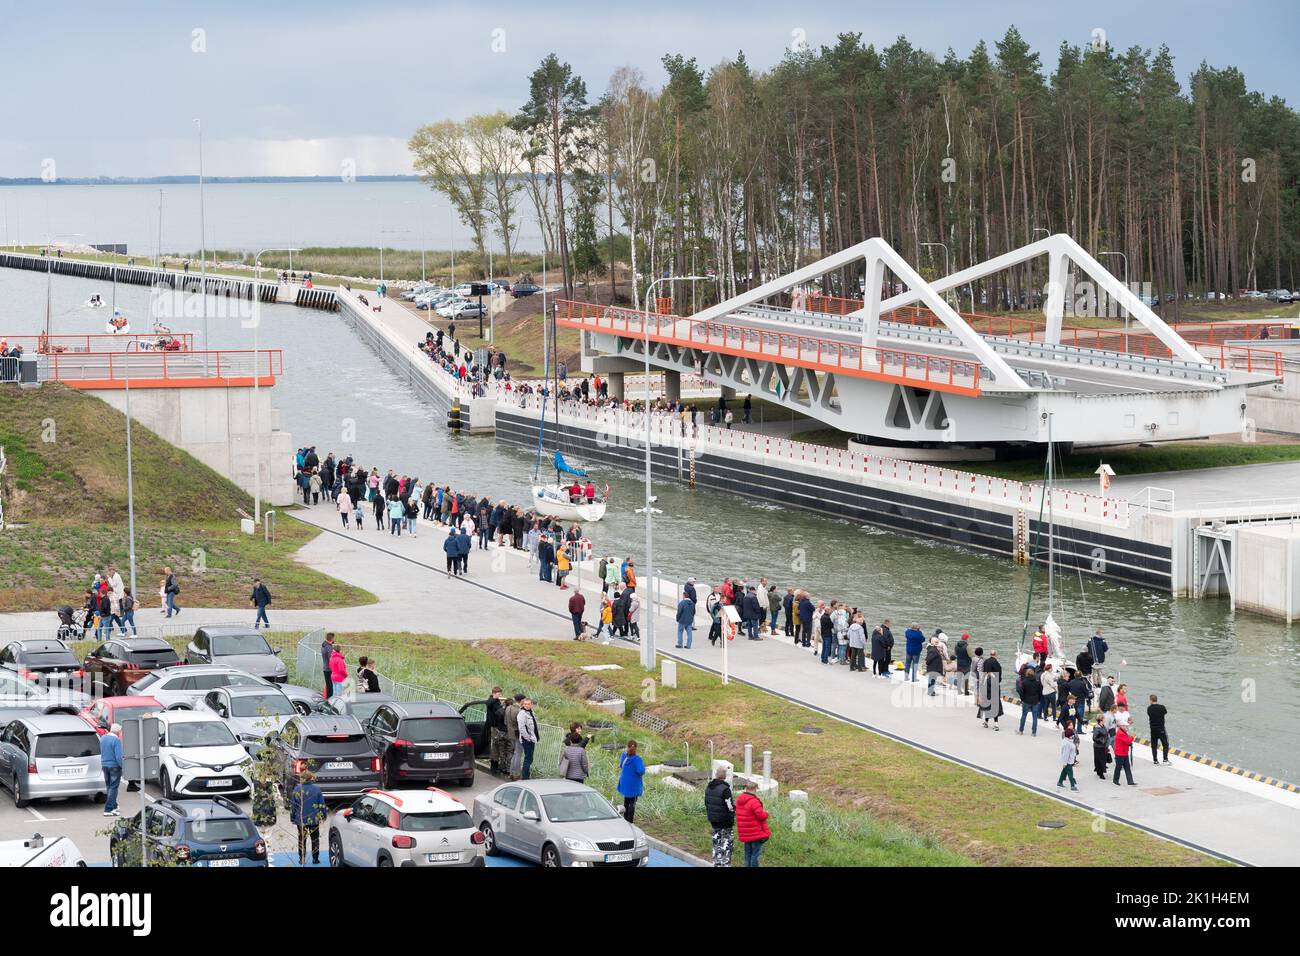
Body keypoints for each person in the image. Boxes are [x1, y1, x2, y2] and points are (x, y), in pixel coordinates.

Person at [290, 770, 327, 866]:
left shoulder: (297, 789)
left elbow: (293, 806)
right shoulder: (317, 789)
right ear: (311, 778)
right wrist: (324, 815)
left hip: (301, 819)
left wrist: (292, 817)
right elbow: (322, 805)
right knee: (315, 839)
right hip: (314, 819)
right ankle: (315, 859)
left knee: (302, 839)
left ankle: (301, 858)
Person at [735, 779, 771, 867]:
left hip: (745, 832)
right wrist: (767, 813)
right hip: (755, 832)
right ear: (755, 788)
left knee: (747, 854)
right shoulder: (754, 801)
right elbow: (761, 816)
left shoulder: (739, 800)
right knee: (755, 855)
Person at [705, 767, 736, 867]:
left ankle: (716, 863)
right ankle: (725, 864)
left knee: (716, 842)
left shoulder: (709, 787)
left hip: (713, 819)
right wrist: (734, 811)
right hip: (725, 820)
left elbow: (706, 802)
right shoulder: (725, 790)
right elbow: (730, 806)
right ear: (725, 776)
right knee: (726, 843)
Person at [617, 740, 646, 823]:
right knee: (632, 803)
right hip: (634, 784)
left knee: (626, 801)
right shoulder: (637, 759)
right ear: (636, 748)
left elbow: (620, 765)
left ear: (627, 747)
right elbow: (640, 771)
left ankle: (625, 820)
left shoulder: (623, 756)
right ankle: (630, 822)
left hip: (625, 782)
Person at [100, 723, 124, 816]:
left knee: (109, 786)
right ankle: (108, 809)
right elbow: (118, 756)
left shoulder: (103, 738)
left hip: (105, 765)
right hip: (114, 766)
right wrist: (122, 766)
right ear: (118, 732)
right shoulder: (116, 740)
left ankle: (114, 806)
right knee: (113, 787)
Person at [977, 650, 1003, 729]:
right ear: (995, 655)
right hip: (995, 685)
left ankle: (986, 722)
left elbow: (983, 672)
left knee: (987, 704)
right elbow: (999, 677)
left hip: (986, 685)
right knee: (995, 704)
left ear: (990, 654)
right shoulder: (997, 664)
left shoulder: (986, 662)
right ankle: (996, 724)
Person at [517, 698, 539, 780]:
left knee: (529, 758)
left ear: (531, 704)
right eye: (525, 704)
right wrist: (528, 738)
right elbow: (521, 728)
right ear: (523, 705)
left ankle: (526, 776)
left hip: (532, 739)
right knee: (528, 759)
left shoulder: (531, 712)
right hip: (527, 740)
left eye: (528, 704)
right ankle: (525, 778)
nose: (527, 705)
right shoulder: (522, 713)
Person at [1017, 665, 1042, 735]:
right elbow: (1040, 692)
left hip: (1026, 701)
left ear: (1027, 674)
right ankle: (1034, 732)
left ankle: (1021, 730)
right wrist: (1039, 700)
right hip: (1035, 701)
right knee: (1035, 717)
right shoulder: (1037, 682)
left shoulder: (1025, 682)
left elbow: (1021, 692)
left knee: (1024, 716)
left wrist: (1022, 699)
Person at [1147, 694, 1170, 765]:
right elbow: (1165, 712)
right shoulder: (1162, 707)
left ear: (1151, 700)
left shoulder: (1149, 708)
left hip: (1153, 729)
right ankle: (1165, 760)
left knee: (1154, 745)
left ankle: (1155, 760)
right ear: (1156, 700)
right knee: (1165, 744)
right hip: (1161, 729)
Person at [505, 694, 524, 780]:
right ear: (521, 700)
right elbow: (520, 724)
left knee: (514, 754)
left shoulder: (508, 708)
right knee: (518, 754)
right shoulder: (519, 710)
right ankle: (516, 774)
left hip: (510, 733)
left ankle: (511, 772)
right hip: (518, 734)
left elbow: (505, 722)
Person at [1057, 725, 1079, 792]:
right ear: (1069, 735)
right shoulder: (1067, 743)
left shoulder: (1068, 741)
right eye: (1072, 735)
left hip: (1069, 760)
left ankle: (1060, 782)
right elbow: (1065, 754)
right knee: (1070, 773)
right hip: (1067, 761)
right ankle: (1072, 786)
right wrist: (1065, 763)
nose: (1073, 736)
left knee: (1064, 771)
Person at [1092, 715, 1111, 779]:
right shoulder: (1097, 728)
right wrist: (1102, 741)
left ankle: (1099, 770)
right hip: (1098, 747)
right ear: (1101, 720)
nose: (1105, 720)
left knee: (1102, 759)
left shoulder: (1103, 726)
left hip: (1104, 746)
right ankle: (1101, 773)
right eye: (1104, 719)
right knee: (1100, 760)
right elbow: (1094, 738)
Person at [320, 632, 337, 700]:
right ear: (332, 638)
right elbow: (331, 660)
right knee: (330, 687)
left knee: (329, 685)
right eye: (334, 638)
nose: (334, 639)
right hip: (329, 669)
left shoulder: (323, 645)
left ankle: (328, 699)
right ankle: (330, 700)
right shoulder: (329, 648)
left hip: (326, 668)